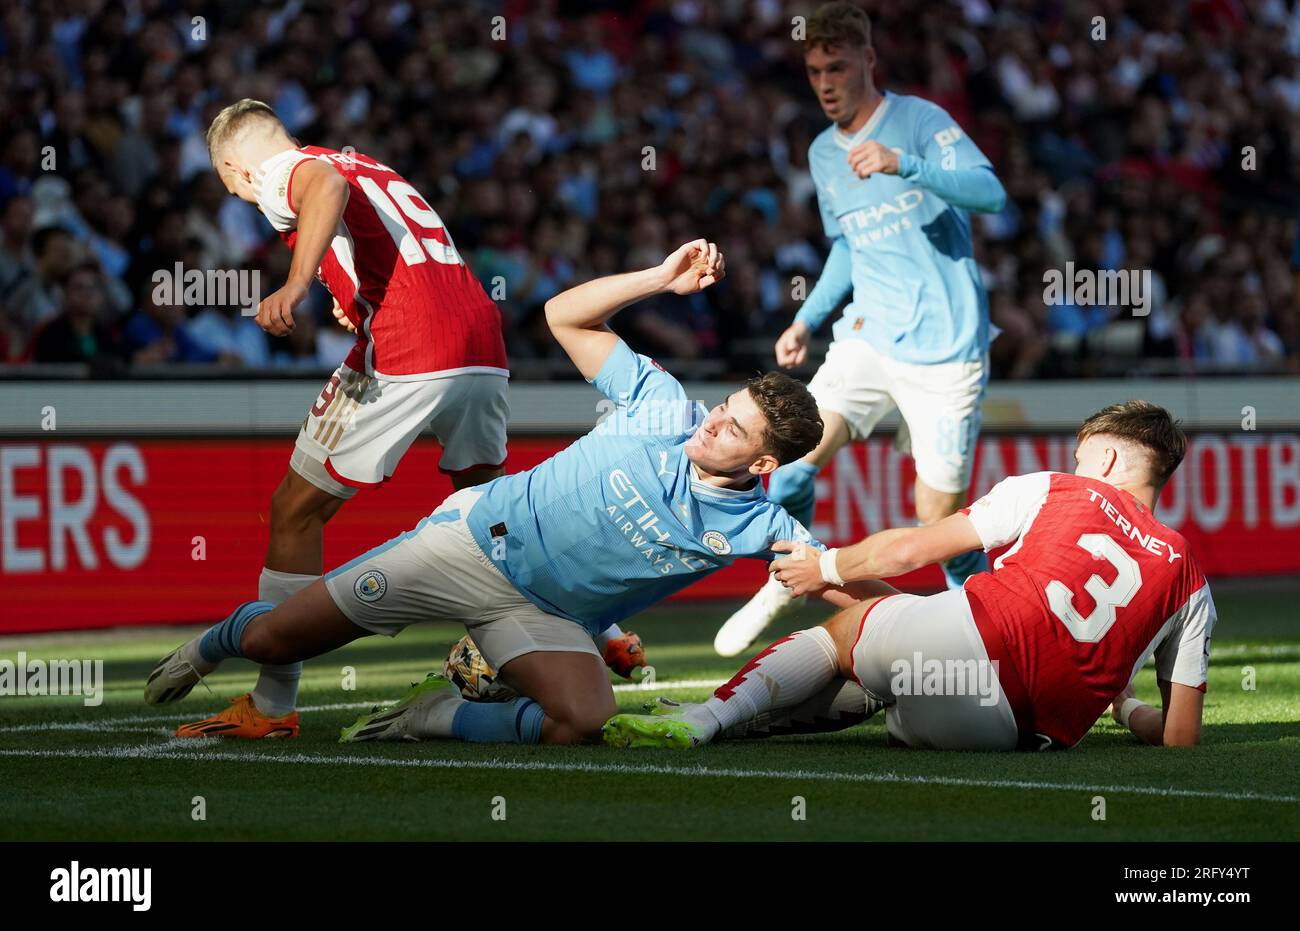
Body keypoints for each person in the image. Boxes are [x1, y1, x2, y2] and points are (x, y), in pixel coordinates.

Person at [145, 241, 860, 746]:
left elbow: (840, 579)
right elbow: (564, 316)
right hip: (466, 544)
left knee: (585, 720)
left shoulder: (760, 524)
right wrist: (658, 279)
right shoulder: (661, 406)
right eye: (723, 406)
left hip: (541, 614)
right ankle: (217, 640)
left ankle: (430, 716)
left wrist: (928, 629)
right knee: (275, 636)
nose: (713, 424)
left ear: (763, 464)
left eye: (734, 430)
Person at [172, 99, 512, 736]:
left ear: (234, 170)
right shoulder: (365, 163)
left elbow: (319, 189)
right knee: (486, 511)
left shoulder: (285, 171)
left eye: (234, 188)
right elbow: (391, 247)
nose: (250, 201)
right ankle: (590, 632)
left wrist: (298, 283)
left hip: (411, 347)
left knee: (294, 510)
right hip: (482, 343)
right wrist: (354, 300)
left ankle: (273, 704)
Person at [607, 401, 1215, 752]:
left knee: (850, 632)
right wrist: (1125, 708)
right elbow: (1181, 738)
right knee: (885, 666)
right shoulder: (1191, 578)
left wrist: (826, 566)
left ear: (1105, 459)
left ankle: (704, 718)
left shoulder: (1060, 489)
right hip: (1015, 738)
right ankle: (721, 713)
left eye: (1083, 457)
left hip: (970, 649)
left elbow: (912, 549)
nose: (1074, 465)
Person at [714, 1, 1008, 656]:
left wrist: (905, 163)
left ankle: (995, 637)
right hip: (868, 337)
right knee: (790, 458)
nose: (824, 82)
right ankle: (789, 574)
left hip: (946, 348)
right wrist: (806, 317)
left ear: (868, 60)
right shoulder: (823, 154)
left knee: (940, 523)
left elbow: (990, 192)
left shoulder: (920, 122)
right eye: (815, 68)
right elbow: (848, 244)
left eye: (837, 67)